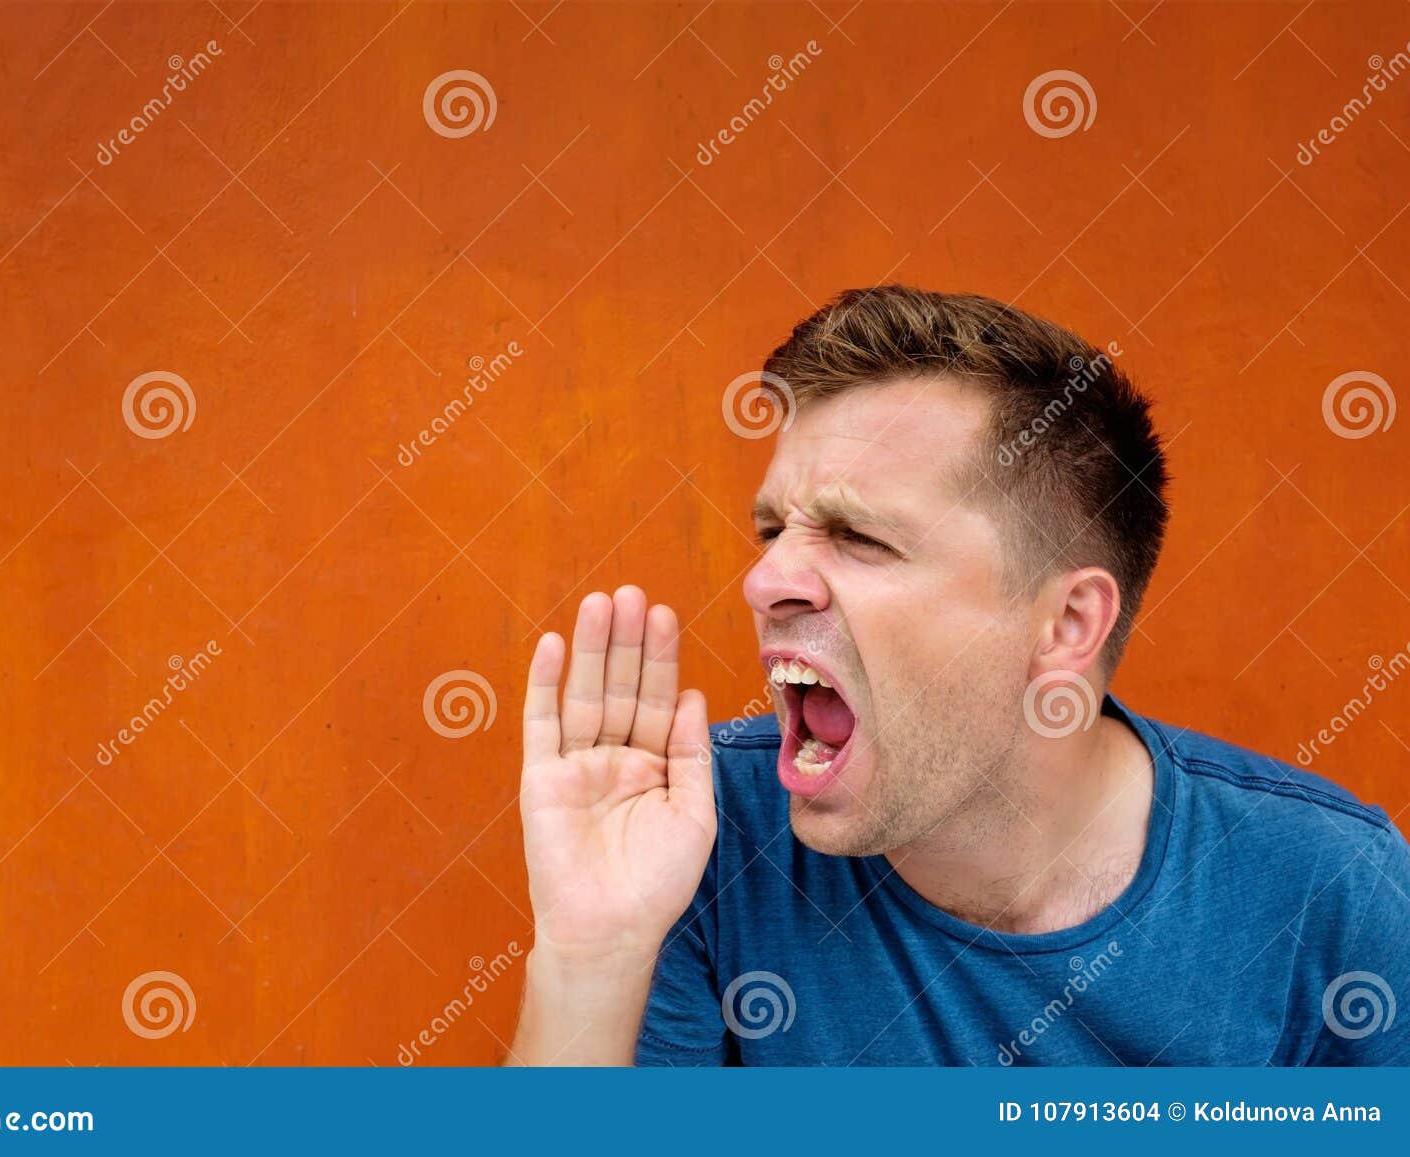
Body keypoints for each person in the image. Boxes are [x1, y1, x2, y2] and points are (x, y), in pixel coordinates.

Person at [507, 285, 1410, 1066]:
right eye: (774, 530)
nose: (765, 579)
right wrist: (591, 956)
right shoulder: (696, 834)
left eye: (860, 536)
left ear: (1064, 625)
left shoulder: (1329, 895)